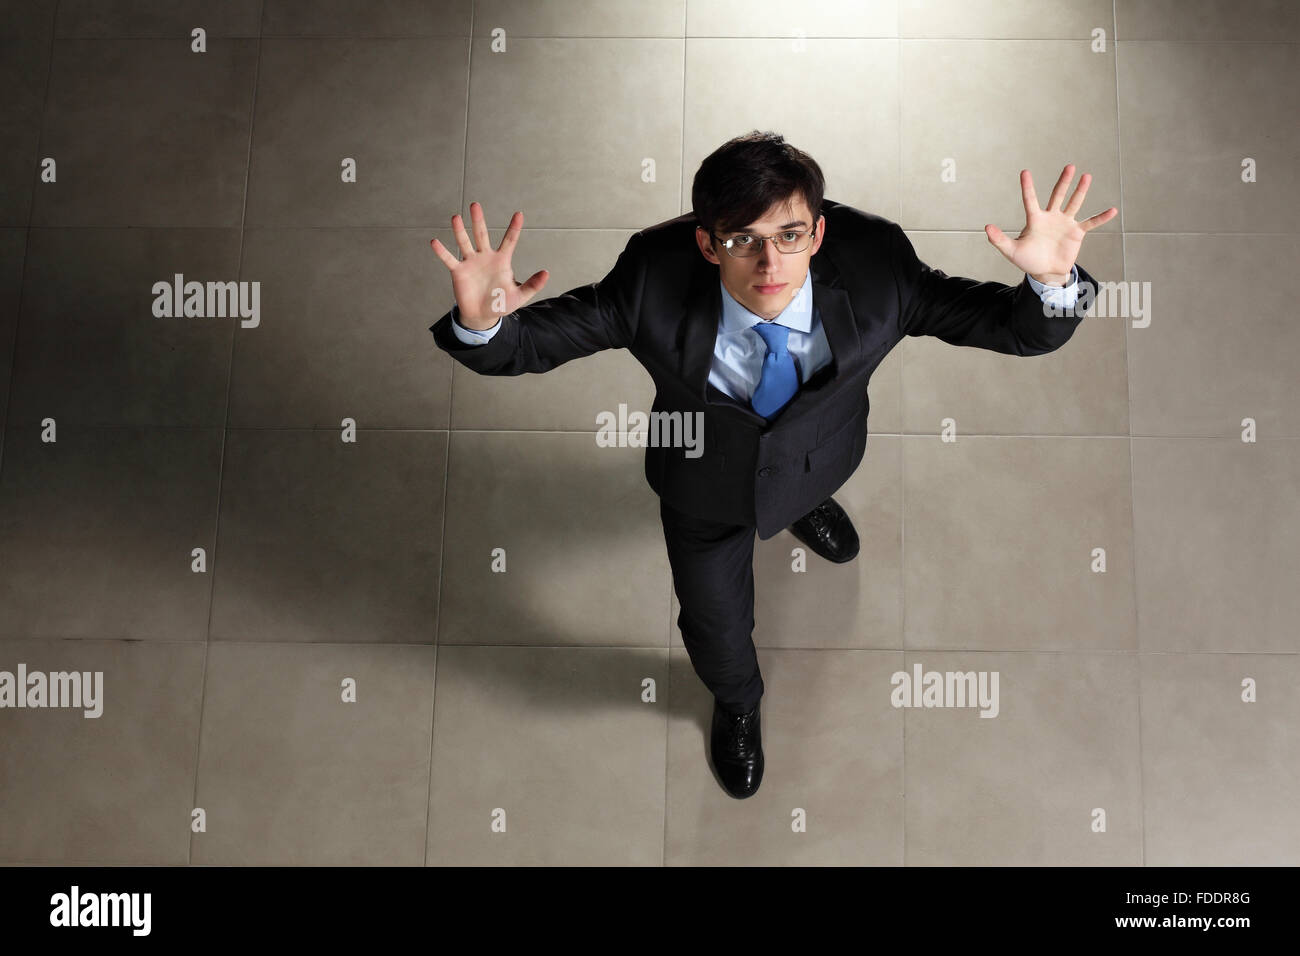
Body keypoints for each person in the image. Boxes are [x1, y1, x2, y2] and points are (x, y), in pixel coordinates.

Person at [429, 131, 1115, 799]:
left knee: (795, 484)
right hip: (700, 483)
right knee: (713, 620)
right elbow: (522, 347)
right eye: (741, 240)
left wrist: (1056, 282)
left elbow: (1017, 330)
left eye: (789, 236)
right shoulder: (650, 279)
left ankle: (799, 504)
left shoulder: (879, 269)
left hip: (820, 457)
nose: (769, 264)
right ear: (706, 243)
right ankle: (736, 703)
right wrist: (484, 321)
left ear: (817, 234)